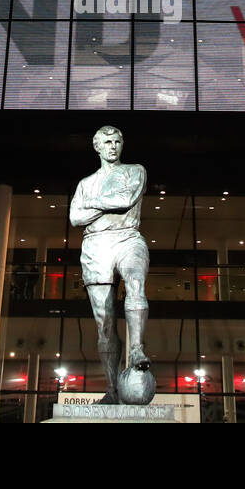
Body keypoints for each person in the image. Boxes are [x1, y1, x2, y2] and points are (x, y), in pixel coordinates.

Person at [69, 125, 150, 404]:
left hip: (127, 237)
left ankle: (137, 349)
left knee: (135, 282)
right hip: (95, 245)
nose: (113, 146)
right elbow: (75, 218)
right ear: (97, 147)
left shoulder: (135, 170)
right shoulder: (85, 183)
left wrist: (93, 204)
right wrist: (105, 203)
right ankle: (113, 390)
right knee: (104, 322)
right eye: (107, 142)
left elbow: (126, 199)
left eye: (117, 141)